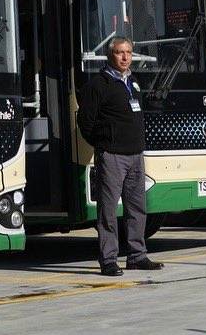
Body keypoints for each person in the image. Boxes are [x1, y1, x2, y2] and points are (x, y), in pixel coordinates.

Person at [76, 36, 164, 276]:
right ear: (109, 55)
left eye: (128, 52)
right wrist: (104, 144)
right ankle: (108, 260)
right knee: (108, 211)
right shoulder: (98, 85)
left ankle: (137, 256)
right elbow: (85, 122)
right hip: (112, 156)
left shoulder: (133, 82)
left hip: (136, 155)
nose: (125, 57)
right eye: (119, 52)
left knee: (137, 208)